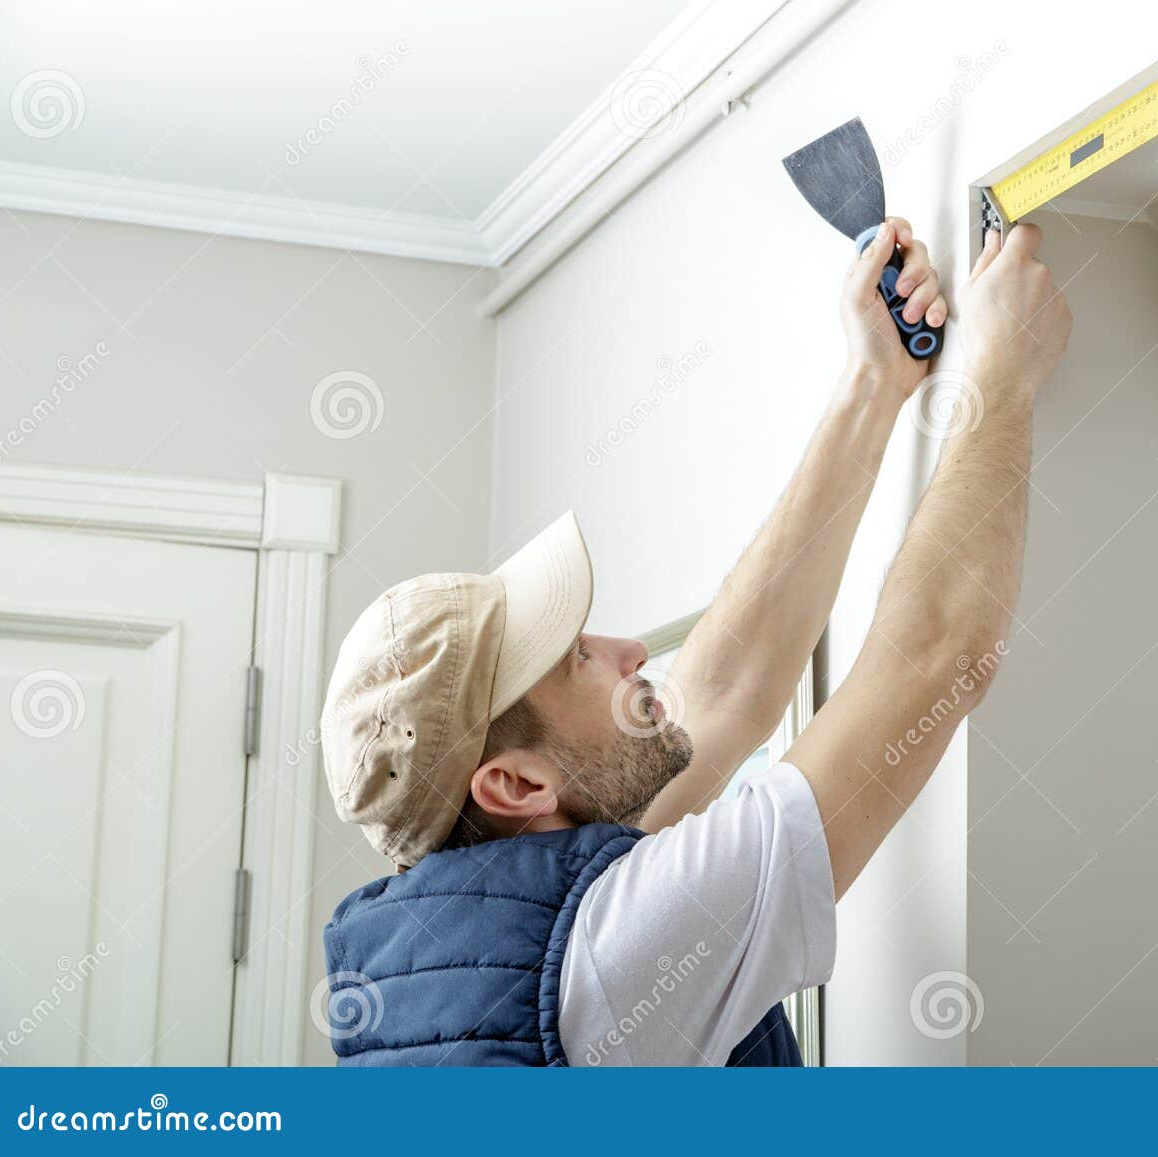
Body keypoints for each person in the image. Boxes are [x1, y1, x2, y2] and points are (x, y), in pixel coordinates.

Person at [317, 218, 1072, 1065]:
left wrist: (875, 380)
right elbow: (936, 654)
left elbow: (724, 694)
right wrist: (1003, 375)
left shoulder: (454, 944)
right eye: (577, 658)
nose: (629, 649)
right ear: (515, 782)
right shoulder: (609, 953)